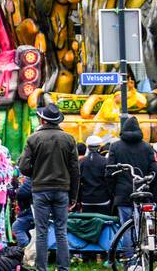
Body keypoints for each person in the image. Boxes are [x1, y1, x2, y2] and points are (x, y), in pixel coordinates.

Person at [16, 103, 78, 271]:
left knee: (42, 232)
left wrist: (35, 172)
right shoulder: (69, 139)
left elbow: (23, 166)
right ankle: (63, 268)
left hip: (40, 190)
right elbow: (74, 171)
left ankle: (41, 268)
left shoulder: (33, 139)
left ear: (42, 120)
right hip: (62, 191)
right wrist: (73, 196)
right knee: (61, 231)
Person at [106, 116, 157, 255]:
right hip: (142, 192)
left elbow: (109, 173)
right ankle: (146, 256)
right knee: (143, 225)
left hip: (123, 194)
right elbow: (154, 171)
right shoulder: (147, 147)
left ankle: (131, 259)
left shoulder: (115, 146)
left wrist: (114, 192)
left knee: (126, 227)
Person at [78, 136, 112, 215]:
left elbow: (78, 181)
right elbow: (109, 180)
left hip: (86, 199)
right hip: (102, 198)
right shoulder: (105, 161)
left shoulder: (82, 162)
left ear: (88, 147)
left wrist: (78, 199)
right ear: (99, 147)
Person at [9, 176, 33, 249]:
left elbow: (22, 192)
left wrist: (17, 191)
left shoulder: (33, 173)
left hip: (33, 208)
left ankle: (25, 251)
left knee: (17, 227)